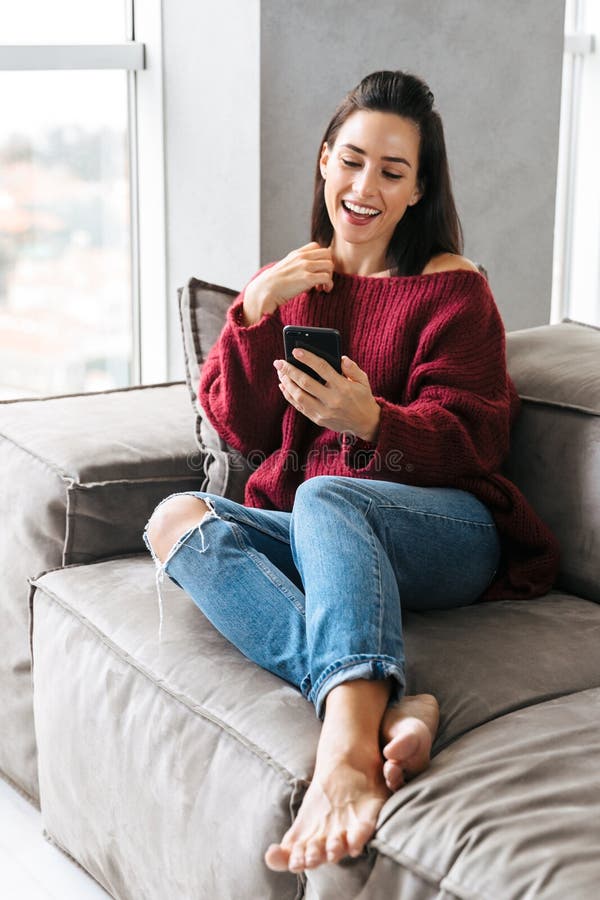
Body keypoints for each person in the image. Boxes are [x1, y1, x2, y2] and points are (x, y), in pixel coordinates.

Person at [143, 70, 559, 874]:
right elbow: (243, 428)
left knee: (328, 492)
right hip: (325, 533)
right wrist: (254, 313)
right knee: (176, 520)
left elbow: (476, 440)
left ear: (418, 189)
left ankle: (347, 752)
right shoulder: (299, 283)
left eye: (392, 172)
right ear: (325, 163)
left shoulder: (455, 292)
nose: (365, 187)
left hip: (448, 530)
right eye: (353, 160)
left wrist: (370, 422)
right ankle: (399, 703)